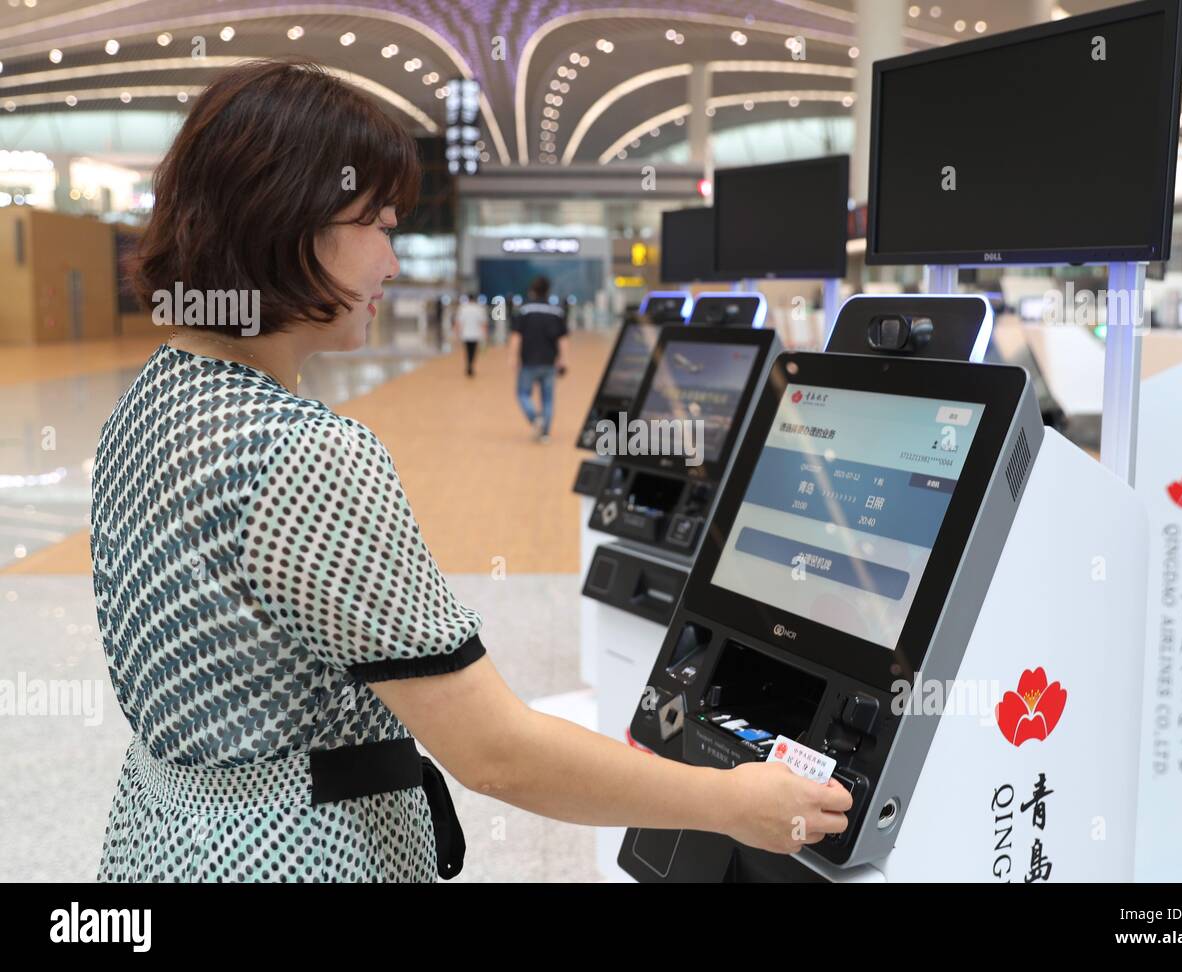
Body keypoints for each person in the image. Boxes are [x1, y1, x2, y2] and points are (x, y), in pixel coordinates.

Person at [90, 58, 850, 883]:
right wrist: (734, 802)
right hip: (295, 856)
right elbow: (496, 753)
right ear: (286, 220)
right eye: (377, 224)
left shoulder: (150, 402)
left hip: (161, 838)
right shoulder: (305, 453)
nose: (393, 261)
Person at [509, 277, 568, 443]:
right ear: (548, 290)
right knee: (548, 398)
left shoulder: (524, 310)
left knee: (522, 393)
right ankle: (545, 434)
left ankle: (535, 418)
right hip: (549, 362)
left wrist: (512, 357)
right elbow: (562, 339)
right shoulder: (556, 311)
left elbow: (516, 336)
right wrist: (563, 359)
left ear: (532, 290)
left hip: (528, 361)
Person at [453, 292, 488, 376]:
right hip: (476, 334)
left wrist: (456, 333)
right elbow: (483, 323)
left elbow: (458, 322)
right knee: (473, 351)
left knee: (467, 351)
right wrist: (485, 334)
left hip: (465, 334)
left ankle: (468, 365)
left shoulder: (462, 308)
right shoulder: (479, 308)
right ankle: (471, 365)